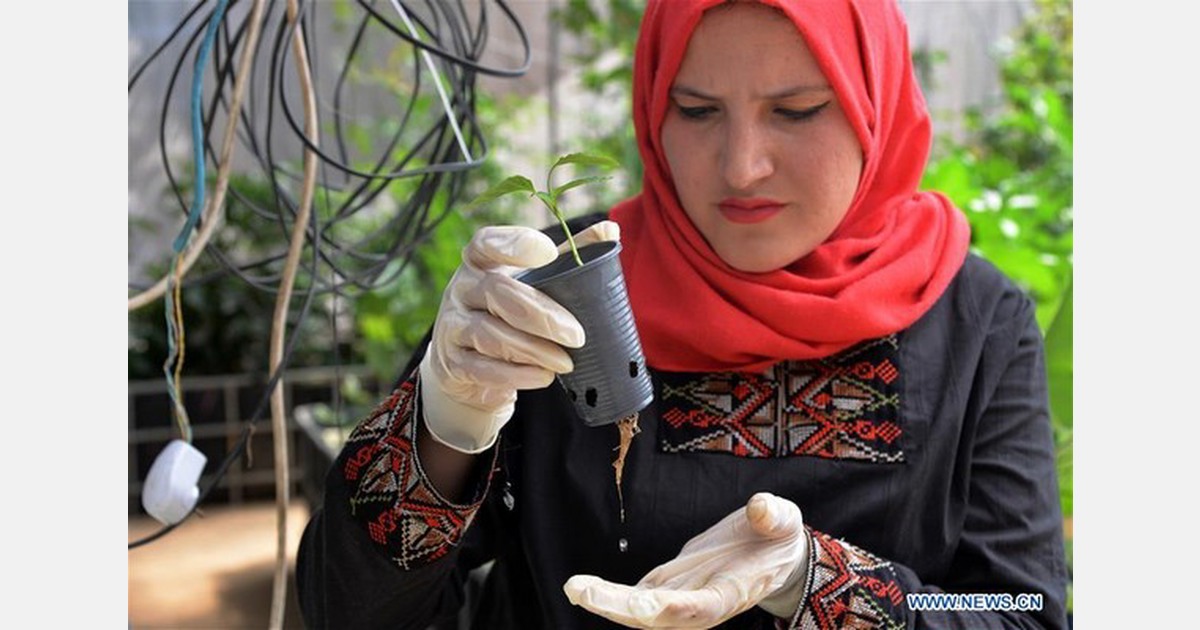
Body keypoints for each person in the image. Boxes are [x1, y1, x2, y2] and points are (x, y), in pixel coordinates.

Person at [296, 0, 1069, 628]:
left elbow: (1013, 608)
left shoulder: (973, 321)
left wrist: (816, 579)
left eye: (796, 110)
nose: (741, 166)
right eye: (696, 111)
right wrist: (443, 425)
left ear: (875, 105)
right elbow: (346, 611)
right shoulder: (564, 288)